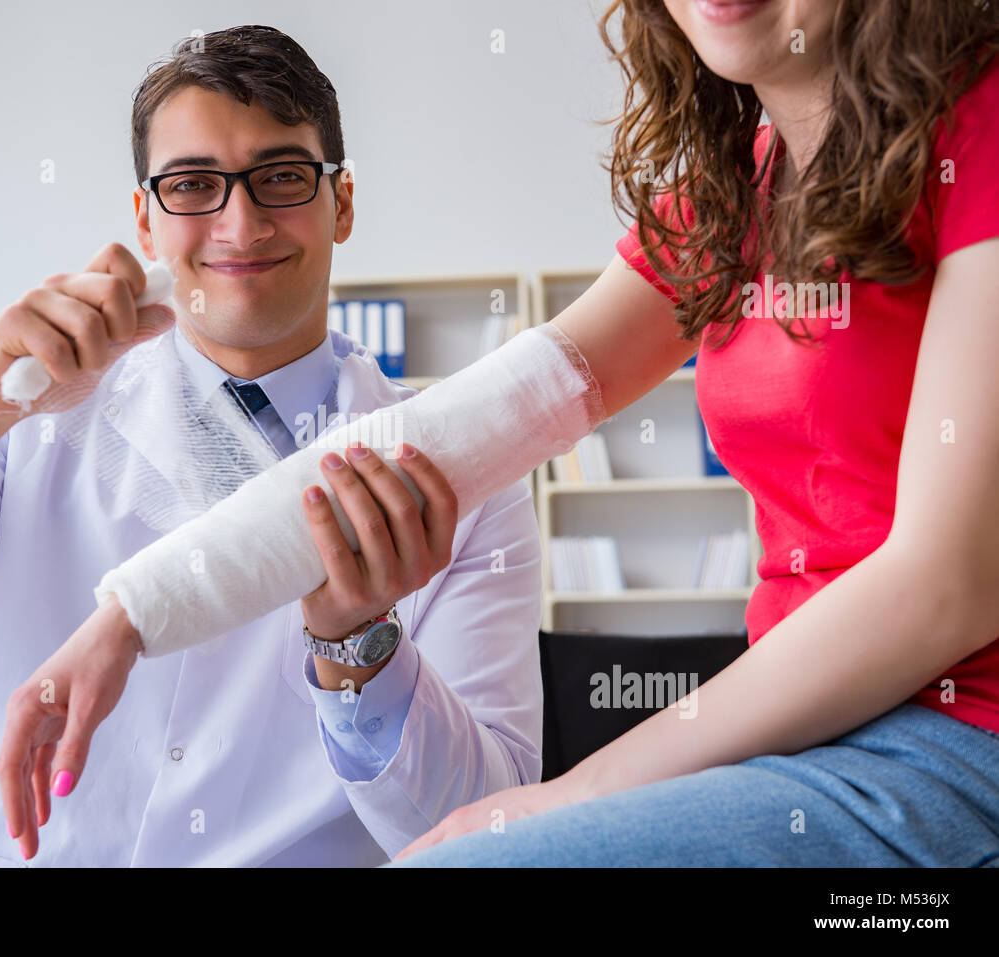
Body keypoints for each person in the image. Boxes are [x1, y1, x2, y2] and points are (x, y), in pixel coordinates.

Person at [0, 25, 545, 866]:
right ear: (146, 221)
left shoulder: (463, 483)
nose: (241, 221)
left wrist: (358, 650)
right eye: (194, 185)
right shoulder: (37, 415)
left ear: (343, 202)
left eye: (283, 176)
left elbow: (487, 827)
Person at [390, 0, 999, 865]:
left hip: (959, 751)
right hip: (807, 749)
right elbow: (499, 408)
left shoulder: (981, 122)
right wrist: (138, 611)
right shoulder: (733, 195)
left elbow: (948, 585)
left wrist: (570, 794)